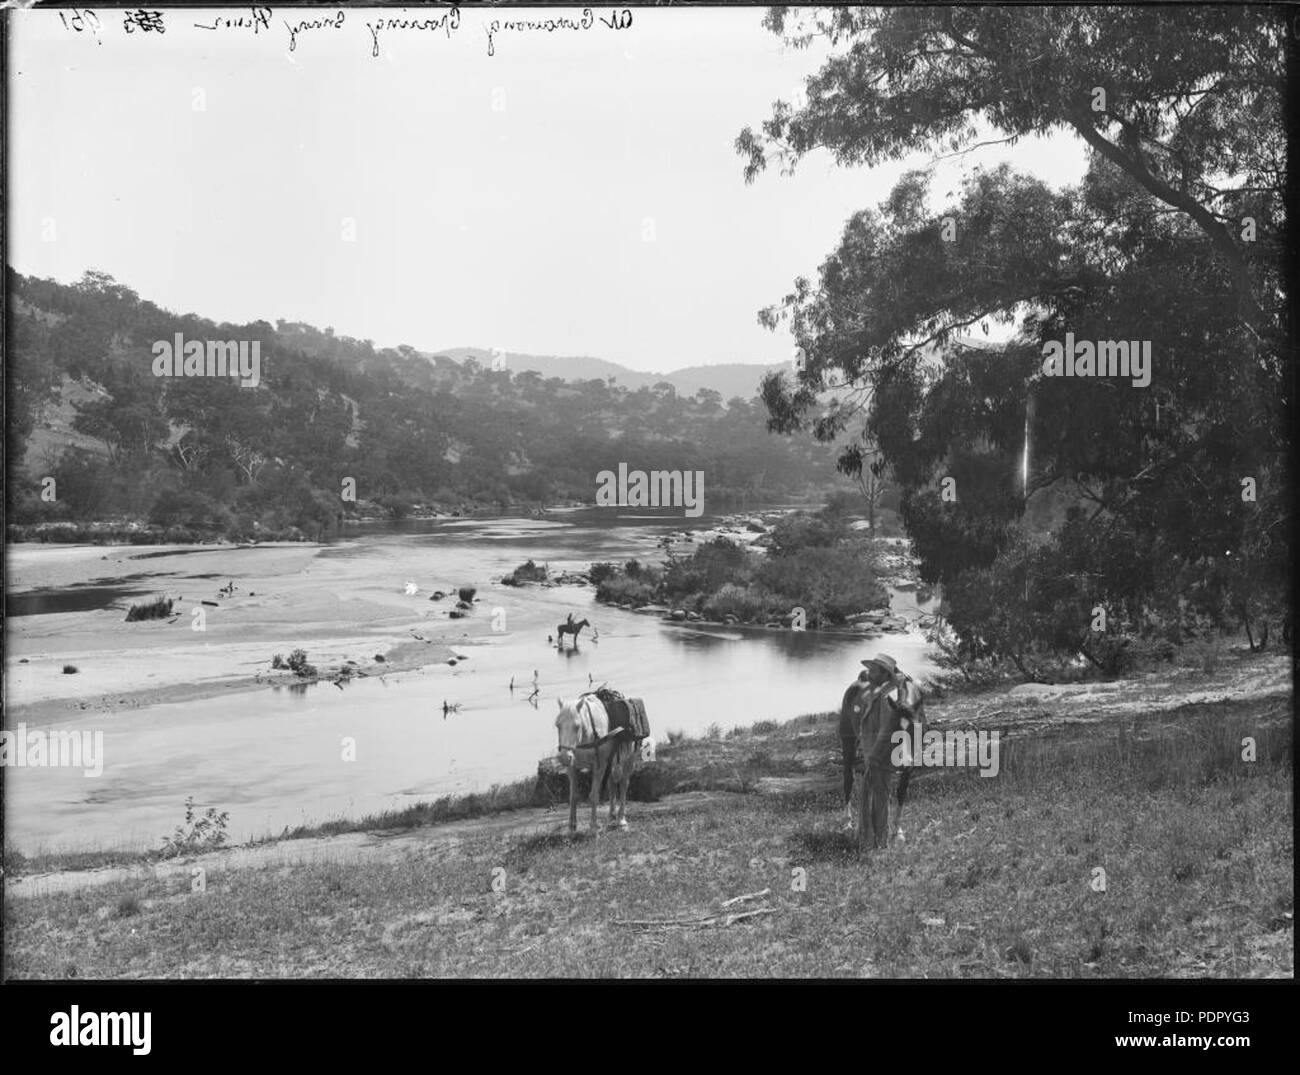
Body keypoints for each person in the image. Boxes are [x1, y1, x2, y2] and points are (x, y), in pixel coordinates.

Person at [846, 653, 924, 848]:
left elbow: (887, 730)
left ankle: (877, 844)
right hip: (875, 754)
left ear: (883, 674)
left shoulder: (887, 699)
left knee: (878, 799)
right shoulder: (882, 692)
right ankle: (868, 840)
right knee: (870, 797)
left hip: (880, 756)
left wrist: (874, 755)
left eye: (873, 670)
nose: (868, 673)